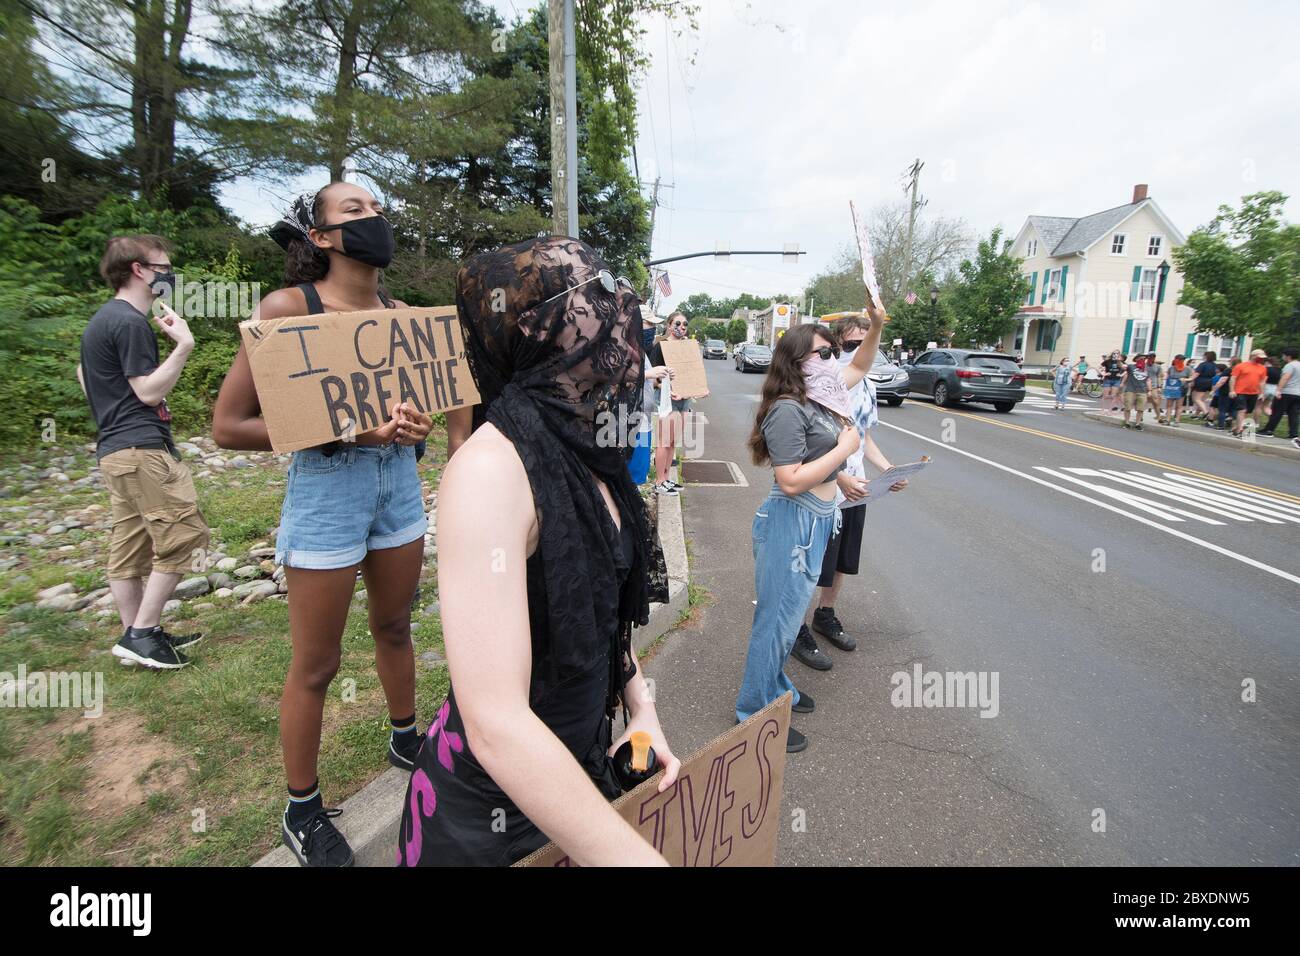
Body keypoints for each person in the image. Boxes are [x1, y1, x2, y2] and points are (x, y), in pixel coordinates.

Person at [397, 236, 677, 866]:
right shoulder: (489, 472)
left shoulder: (588, 447)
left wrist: (640, 708)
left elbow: (593, 611)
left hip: (573, 781)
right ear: (540, 331)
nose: (619, 312)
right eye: (593, 299)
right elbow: (496, 722)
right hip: (488, 823)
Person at [212, 183, 433, 867]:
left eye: (377, 208)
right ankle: (301, 810)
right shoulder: (288, 309)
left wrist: (412, 427)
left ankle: (405, 738)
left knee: (396, 627)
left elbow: (415, 411)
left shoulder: (401, 316)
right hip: (326, 492)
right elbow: (228, 425)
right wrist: (354, 430)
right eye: (354, 212)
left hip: (398, 485)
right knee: (317, 663)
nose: (375, 220)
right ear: (321, 238)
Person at [76, 235, 209, 670]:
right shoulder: (131, 321)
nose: (169, 275)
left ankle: (135, 634)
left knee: (129, 546)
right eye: (164, 267)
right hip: (141, 448)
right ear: (139, 270)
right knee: (184, 534)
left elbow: (84, 375)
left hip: (115, 450)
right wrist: (184, 346)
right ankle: (143, 632)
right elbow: (149, 392)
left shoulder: (101, 320)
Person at [737, 322, 864, 753]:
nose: (833, 359)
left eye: (835, 351)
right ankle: (754, 714)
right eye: (824, 353)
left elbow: (814, 459)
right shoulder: (787, 409)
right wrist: (845, 450)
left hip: (816, 520)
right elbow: (790, 480)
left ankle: (777, 691)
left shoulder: (815, 401)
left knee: (789, 622)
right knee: (774, 623)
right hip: (791, 523)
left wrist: (840, 475)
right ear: (797, 362)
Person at [794, 312, 906, 673]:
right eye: (850, 344)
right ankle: (794, 627)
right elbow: (801, 451)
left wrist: (887, 469)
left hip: (856, 486)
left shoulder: (866, 385)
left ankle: (825, 614)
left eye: (866, 341)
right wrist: (838, 475)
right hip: (825, 487)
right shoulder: (820, 386)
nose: (858, 351)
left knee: (841, 558)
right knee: (812, 562)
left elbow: (863, 437)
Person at [650, 312, 708, 496]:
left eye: (685, 324)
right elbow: (652, 380)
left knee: (673, 441)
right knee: (664, 441)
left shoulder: (688, 347)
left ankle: (666, 479)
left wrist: (700, 389)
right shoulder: (661, 347)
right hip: (668, 399)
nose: (682, 327)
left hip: (685, 399)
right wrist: (665, 387)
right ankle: (659, 481)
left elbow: (694, 374)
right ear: (669, 325)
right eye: (678, 323)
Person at [1258, 346, 1300, 439]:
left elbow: (1285, 377)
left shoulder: (1290, 365)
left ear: (1288, 356)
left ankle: (1269, 430)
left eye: (1284, 355)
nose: (1283, 357)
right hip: (1298, 393)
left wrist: (1278, 390)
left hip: (1286, 392)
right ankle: (1293, 434)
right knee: (1293, 414)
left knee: (1277, 412)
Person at [1228, 349, 1268, 438]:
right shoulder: (1241, 366)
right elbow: (1233, 378)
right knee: (1242, 410)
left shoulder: (1263, 368)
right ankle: (1240, 430)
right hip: (1240, 391)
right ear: (1253, 356)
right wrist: (1232, 390)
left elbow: (1262, 381)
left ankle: (1236, 427)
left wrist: (1262, 393)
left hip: (1253, 393)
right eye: (1259, 357)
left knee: (1247, 411)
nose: (1261, 359)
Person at [1120, 353, 1152, 429]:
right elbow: (1123, 367)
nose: (1143, 360)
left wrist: (1150, 390)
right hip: (1131, 390)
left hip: (1142, 391)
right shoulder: (1131, 366)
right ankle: (1127, 422)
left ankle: (1137, 424)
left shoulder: (1147, 369)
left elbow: (1148, 380)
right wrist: (1119, 361)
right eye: (1141, 358)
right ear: (1137, 359)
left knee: (1141, 409)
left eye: (1144, 359)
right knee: (1127, 407)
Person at [1162, 354, 1190, 426]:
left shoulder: (1187, 369)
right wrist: (1164, 378)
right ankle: (1167, 420)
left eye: (1182, 360)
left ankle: (1177, 421)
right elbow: (1167, 375)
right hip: (1171, 388)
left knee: (1179, 405)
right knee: (1169, 405)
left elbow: (1192, 377)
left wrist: (1186, 379)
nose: (1181, 361)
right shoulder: (1171, 368)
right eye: (1179, 359)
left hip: (1181, 388)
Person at [1258, 355, 1281, 426]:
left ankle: (1256, 423)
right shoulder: (1280, 370)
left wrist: (1261, 391)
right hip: (1274, 388)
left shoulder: (1266, 369)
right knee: (1266, 407)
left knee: (1258, 406)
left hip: (1266, 387)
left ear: (1268, 362)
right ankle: (1272, 420)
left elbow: (1263, 380)